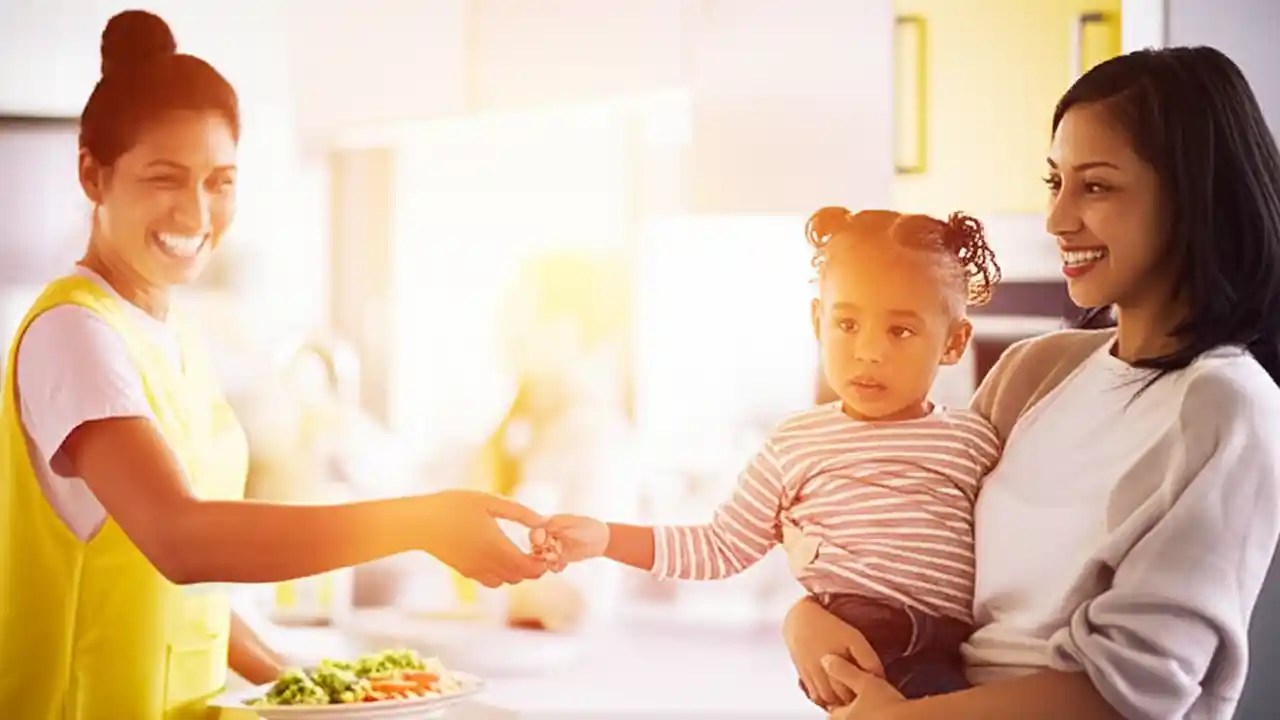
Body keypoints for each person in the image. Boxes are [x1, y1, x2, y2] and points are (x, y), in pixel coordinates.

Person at [0, 11, 547, 720]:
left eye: (220, 181)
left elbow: (159, 584)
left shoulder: (171, 338)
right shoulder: (74, 334)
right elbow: (182, 540)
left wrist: (304, 683)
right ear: (92, 175)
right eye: (165, 177)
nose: (196, 212)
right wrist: (420, 521)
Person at [783, 46, 1280, 720]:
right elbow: (914, 539)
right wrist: (806, 618)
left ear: (1193, 196)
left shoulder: (1228, 406)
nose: (1057, 219)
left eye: (1096, 186)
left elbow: (1131, 691)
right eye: (1055, 182)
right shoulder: (1034, 372)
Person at [529, 207, 1004, 701]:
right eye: (846, 323)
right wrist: (605, 537)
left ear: (953, 342)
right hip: (863, 646)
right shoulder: (796, 442)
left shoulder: (974, 440)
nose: (868, 351)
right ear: (818, 320)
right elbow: (719, 546)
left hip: (956, 652)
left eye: (900, 331)